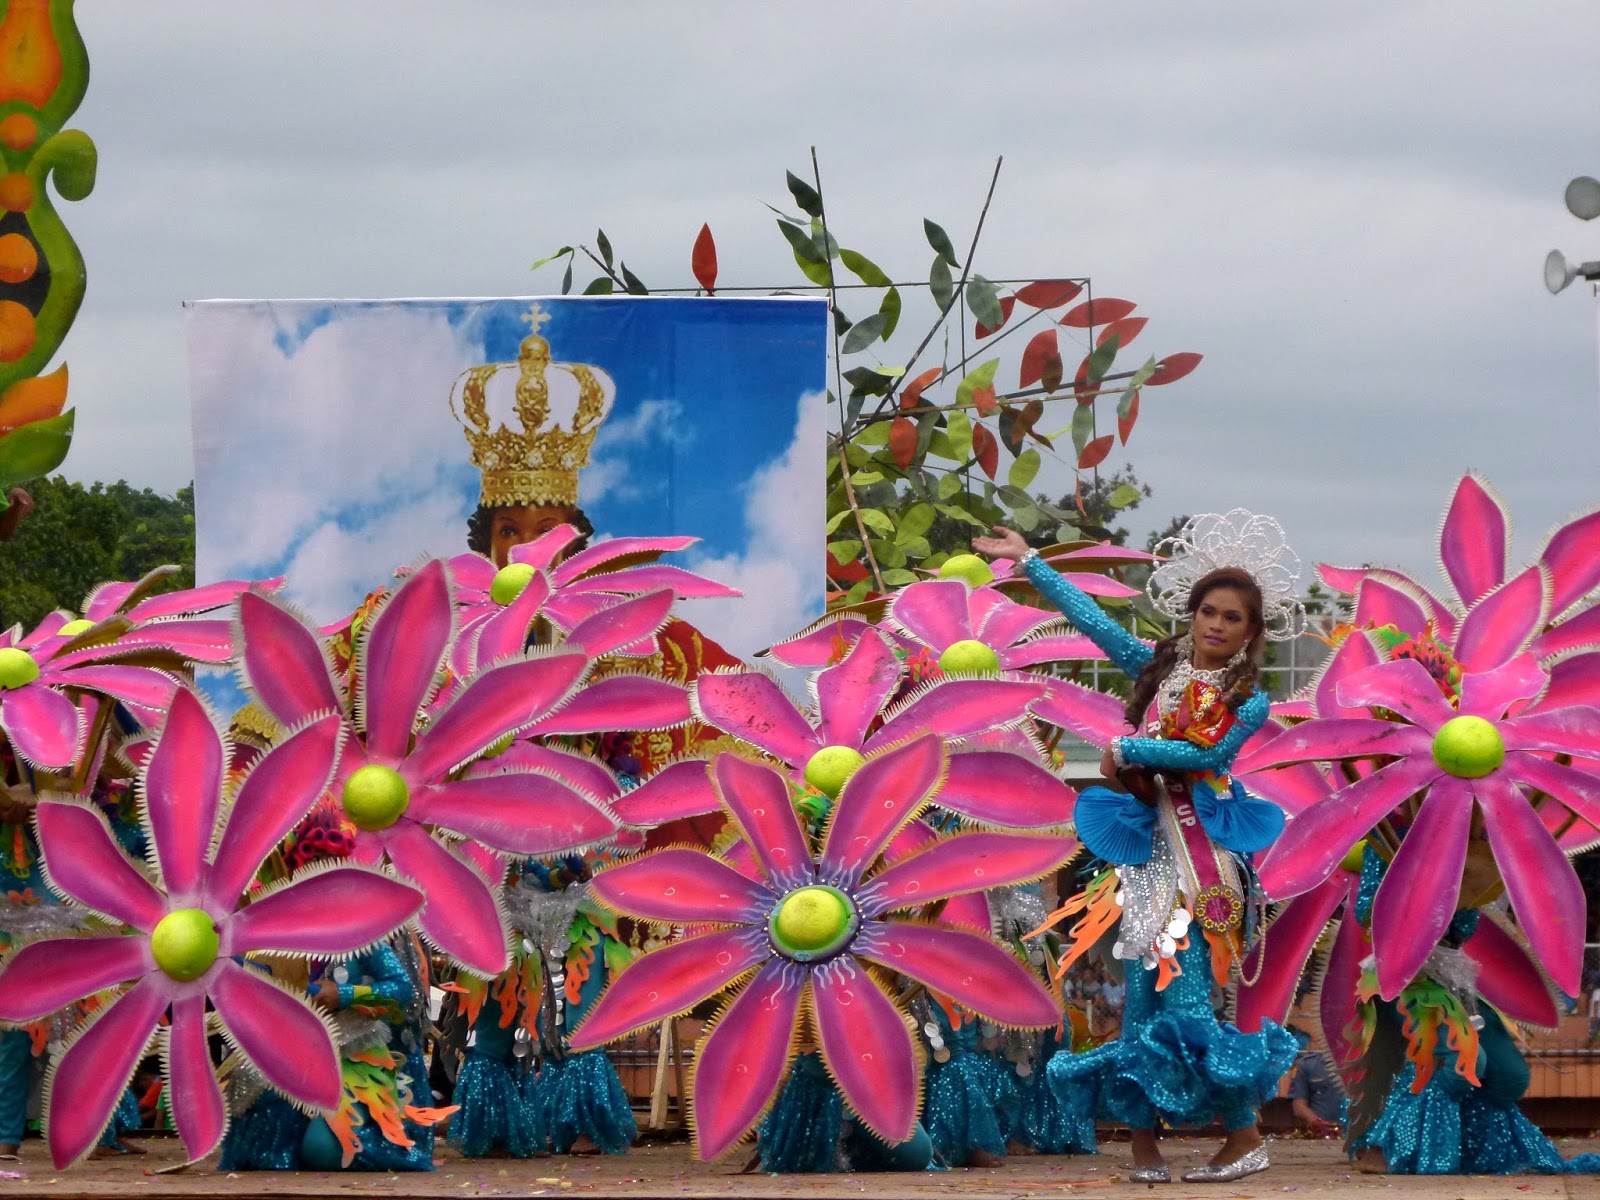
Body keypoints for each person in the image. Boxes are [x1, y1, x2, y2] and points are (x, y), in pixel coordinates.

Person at [975, 512, 1300, 1185]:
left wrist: (1128, 748)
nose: (1216, 625)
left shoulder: (1248, 700)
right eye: (1207, 611)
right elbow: (1096, 626)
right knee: (1142, 1003)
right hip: (1148, 856)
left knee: (1182, 1000)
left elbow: (1206, 753)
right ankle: (1144, 1147)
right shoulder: (1164, 668)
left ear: (1250, 630)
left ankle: (1243, 1135)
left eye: (1232, 617)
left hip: (1198, 860)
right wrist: (1032, 562)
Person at [1288, 1048, 1342, 1135]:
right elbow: (1298, 1106)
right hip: (1321, 1136)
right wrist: (1316, 1122)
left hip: (1359, 1134)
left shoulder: (1366, 1064)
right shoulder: (1307, 1064)